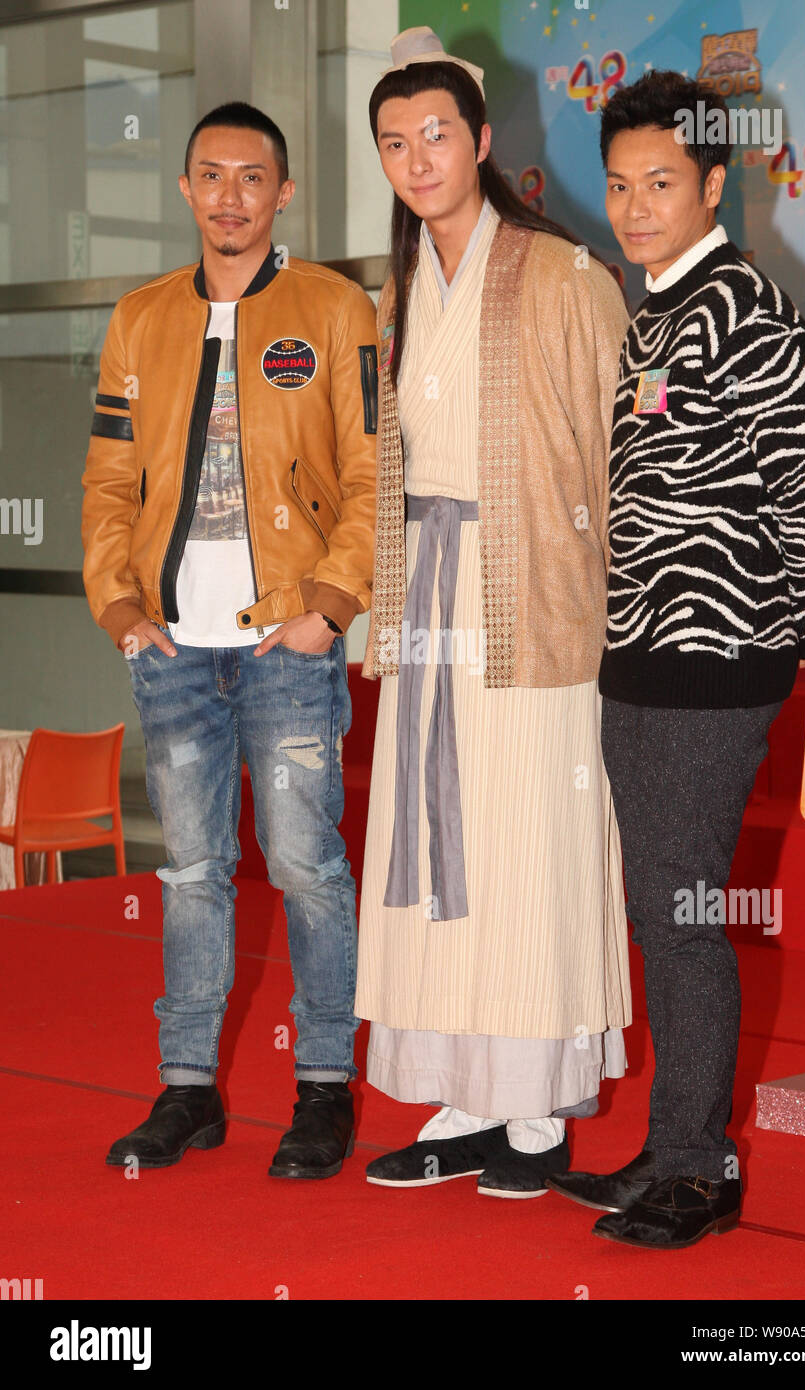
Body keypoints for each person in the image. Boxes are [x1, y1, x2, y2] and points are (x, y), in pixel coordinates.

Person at [547, 71, 805, 1246]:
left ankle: (699, 1173)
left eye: (658, 184)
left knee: (680, 910)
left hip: (707, 676)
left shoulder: (750, 312)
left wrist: (755, 648)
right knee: (656, 912)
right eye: (617, 186)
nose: (631, 208)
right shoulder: (655, 312)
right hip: (636, 665)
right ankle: (674, 1147)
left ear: (713, 182)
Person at [355, 27, 632, 1199]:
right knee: (434, 840)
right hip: (425, 592)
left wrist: (618, 601)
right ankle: (465, 1094)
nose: (416, 160)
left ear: (479, 141)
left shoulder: (562, 273)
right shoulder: (398, 286)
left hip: (534, 599)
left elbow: (621, 452)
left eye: (434, 136)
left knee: (527, 841)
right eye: (391, 144)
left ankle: (538, 1113)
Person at [81, 102, 377, 1179]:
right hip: (171, 652)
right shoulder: (140, 318)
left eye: (252, 177)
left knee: (305, 866)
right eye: (210, 175)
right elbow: (110, 481)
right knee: (193, 871)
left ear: (283, 192)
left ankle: (324, 1090)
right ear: (185, 190)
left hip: (284, 645)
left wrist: (330, 605)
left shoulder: (336, 309)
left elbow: (369, 476)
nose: (230, 195)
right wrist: (120, 608)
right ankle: (188, 1090)